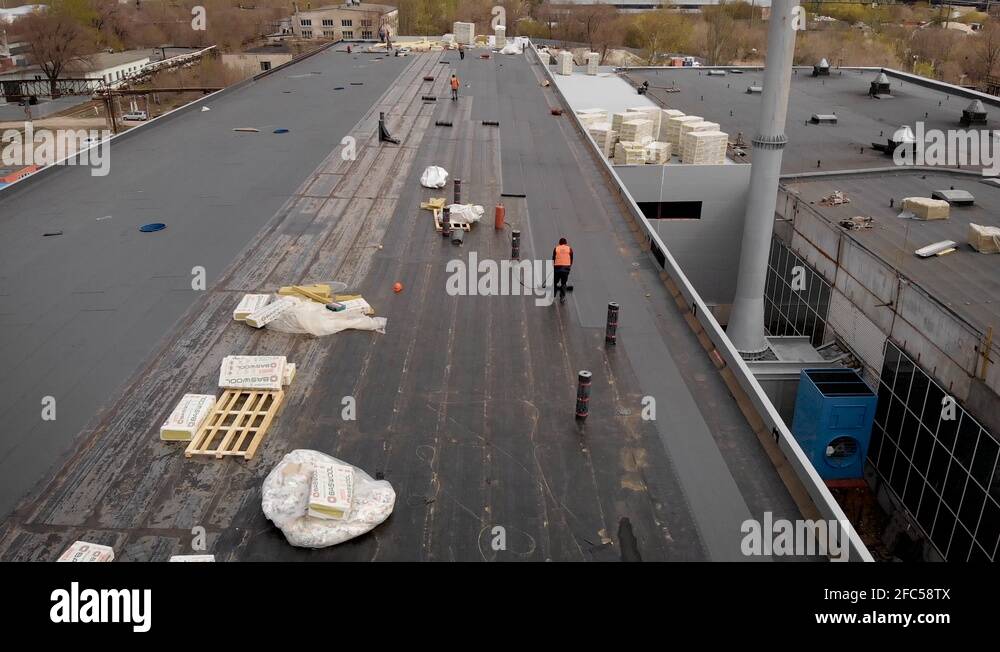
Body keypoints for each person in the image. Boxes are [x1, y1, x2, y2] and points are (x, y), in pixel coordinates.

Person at [552, 237, 573, 304]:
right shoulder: (569, 249)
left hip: (557, 268)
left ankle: (553, 295)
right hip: (566, 269)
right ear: (566, 243)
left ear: (559, 243)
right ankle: (562, 297)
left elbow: (553, 258)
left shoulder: (556, 248)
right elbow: (571, 259)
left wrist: (554, 267)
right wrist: (568, 267)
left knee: (555, 282)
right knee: (563, 283)